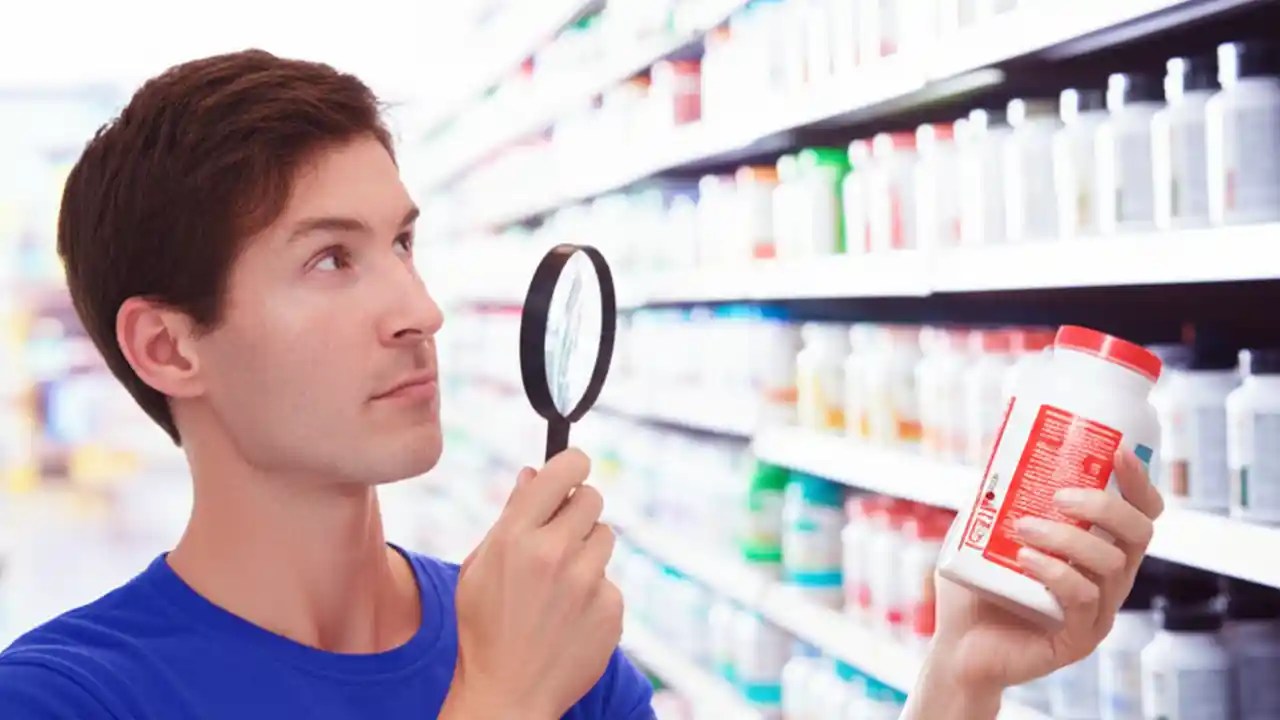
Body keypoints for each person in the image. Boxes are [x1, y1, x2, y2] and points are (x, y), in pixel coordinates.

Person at [0, 50, 1163, 720]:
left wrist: (958, 675)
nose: (418, 309)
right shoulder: (68, 699)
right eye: (328, 259)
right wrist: (498, 697)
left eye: (401, 244)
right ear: (167, 349)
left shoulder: (552, 643)